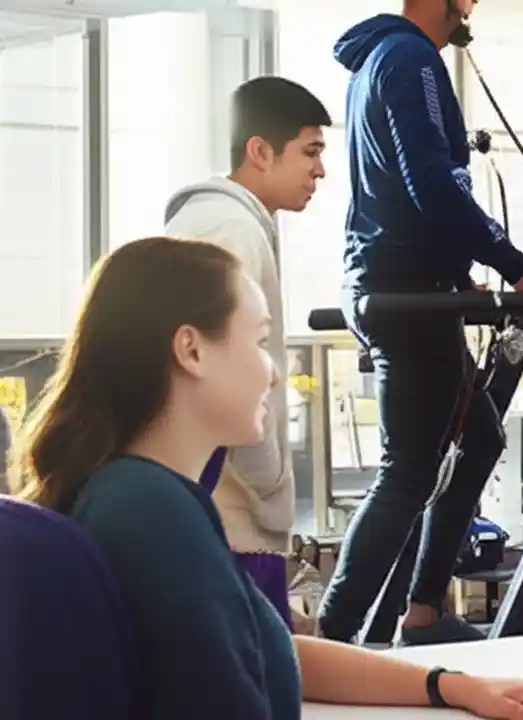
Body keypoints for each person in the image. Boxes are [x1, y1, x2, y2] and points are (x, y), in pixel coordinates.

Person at [7, 238, 523, 720]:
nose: (273, 373)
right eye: (260, 341)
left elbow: (267, 649)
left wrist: (452, 685)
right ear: (191, 351)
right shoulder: (151, 512)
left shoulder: (132, 492)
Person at [318, 0, 523, 646]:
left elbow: (406, 195)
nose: (473, 5)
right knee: (407, 472)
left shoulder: (380, 60)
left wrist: (457, 272)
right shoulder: (411, 57)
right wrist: (514, 264)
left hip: (405, 286)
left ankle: (423, 613)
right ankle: (329, 645)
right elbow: (430, 181)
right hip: (406, 296)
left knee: (478, 439)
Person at [163, 75, 330, 628]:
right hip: (233, 510)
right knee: (257, 664)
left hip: (217, 500)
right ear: (260, 151)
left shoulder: (217, 221)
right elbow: (219, 370)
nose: (320, 171)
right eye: (309, 152)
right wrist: (268, 481)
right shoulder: (230, 231)